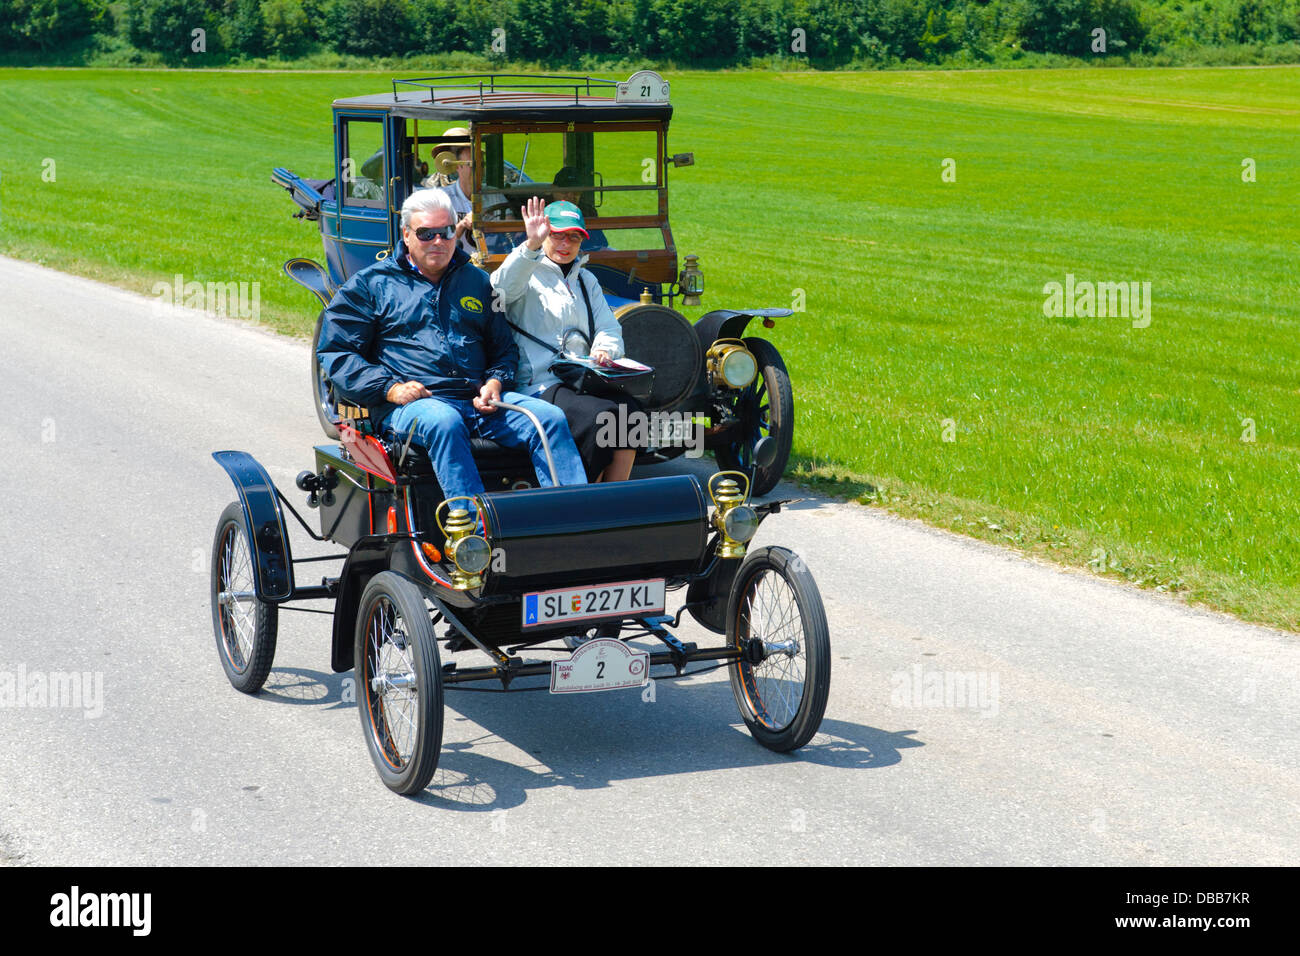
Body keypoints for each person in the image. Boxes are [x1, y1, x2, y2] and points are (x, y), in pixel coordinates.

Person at [316, 188, 588, 502]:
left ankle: (574, 521)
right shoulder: (371, 285)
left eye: (445, 233)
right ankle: (472, 534)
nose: (437, 242)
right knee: (444, 421)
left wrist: (496, 381)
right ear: (406, 235)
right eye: (425, 233)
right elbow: (336, 352)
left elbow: (503, 348)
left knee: (548, 418)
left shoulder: (476, 281)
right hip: (410, 406)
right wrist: (390, 389)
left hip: (478, 403)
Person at [490, 196, 641, 483]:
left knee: (631, 415)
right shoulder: (526, 273)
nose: (565, 244)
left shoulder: (586, 280)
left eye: (573, 237)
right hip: (537, 383)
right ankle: (586, 500)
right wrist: (531, 246)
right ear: (544, 235)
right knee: (601, 418)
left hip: (582, 378)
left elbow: (609, 328)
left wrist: (604, 351)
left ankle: (615, 497)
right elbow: (500, 291)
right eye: (557, 235)